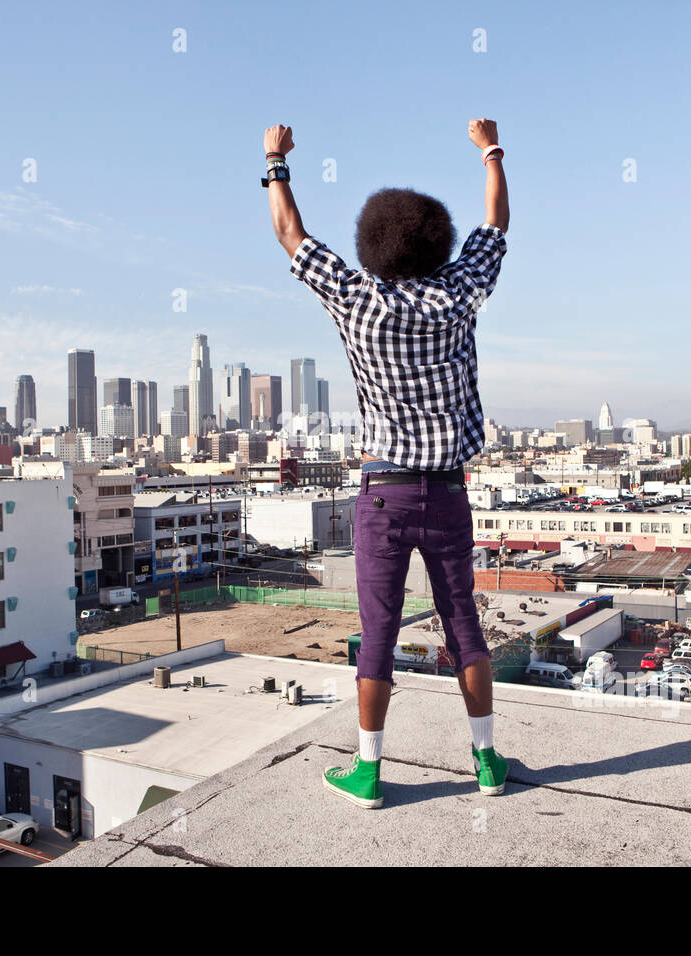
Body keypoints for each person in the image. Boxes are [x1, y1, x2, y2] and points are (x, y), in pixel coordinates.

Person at [262, 118, 511, 808]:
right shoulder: (460, 296)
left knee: (379, 630)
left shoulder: (355, 299)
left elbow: (291, 235)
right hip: (449, 494)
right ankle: (486, 761)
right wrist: (489, 149)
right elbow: (497, 224)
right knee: (465, 622)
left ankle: (368, 771)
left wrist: (275, 161)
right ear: (438, 242)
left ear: (372, 245)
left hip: (383, 496)